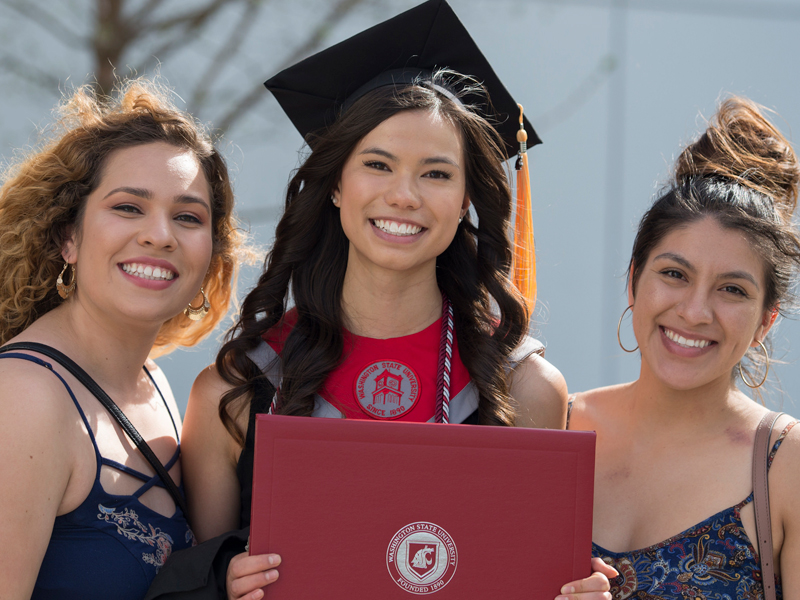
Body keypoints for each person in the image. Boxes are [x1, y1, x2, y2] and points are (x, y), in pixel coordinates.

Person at [147, 2, 615, 599]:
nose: (404, 196)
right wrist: (223, 583)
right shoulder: (237, 391)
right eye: (377, 164)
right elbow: (191, 576)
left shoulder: (521, 387)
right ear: (336, 185)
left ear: (466, 198)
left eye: (436, 174)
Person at [0, 78, 242, 599]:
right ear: (67, 236)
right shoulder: (21, 397)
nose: (160, 235)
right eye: (129, 207)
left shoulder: (154, 384)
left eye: (188, 217)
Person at [569, 96, 800, 599]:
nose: (695, 312)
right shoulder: (554, 425)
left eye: (732, 290)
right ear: (633, 280)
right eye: (675, 274)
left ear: (766, 321)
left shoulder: (785, 464)